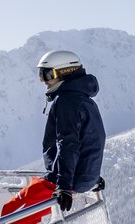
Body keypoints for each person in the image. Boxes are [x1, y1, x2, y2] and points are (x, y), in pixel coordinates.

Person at [37, 48, 106, 211]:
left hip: (60, 181)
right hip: (76, 179)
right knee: (26, 217)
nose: (43, 81)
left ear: (64, 72)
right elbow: (92, 140)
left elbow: (69, 144)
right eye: (41, 75)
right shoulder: (83, 99)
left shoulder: (66, 102)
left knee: (11, 211)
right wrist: (92, 176)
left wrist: (64, 187)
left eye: (47, 75)